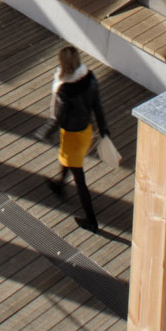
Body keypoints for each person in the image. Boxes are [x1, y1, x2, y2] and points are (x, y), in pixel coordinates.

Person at [46, 45, 108, 232]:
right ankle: (59, 184)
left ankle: (92, 221)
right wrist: (103, 128)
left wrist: (47, 131)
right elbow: (97, 106)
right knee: (69, 160)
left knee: (80, 180)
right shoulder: (90, 78)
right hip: (85, 131)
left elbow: (60, 117)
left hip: (72, 136)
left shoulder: (65, 89)